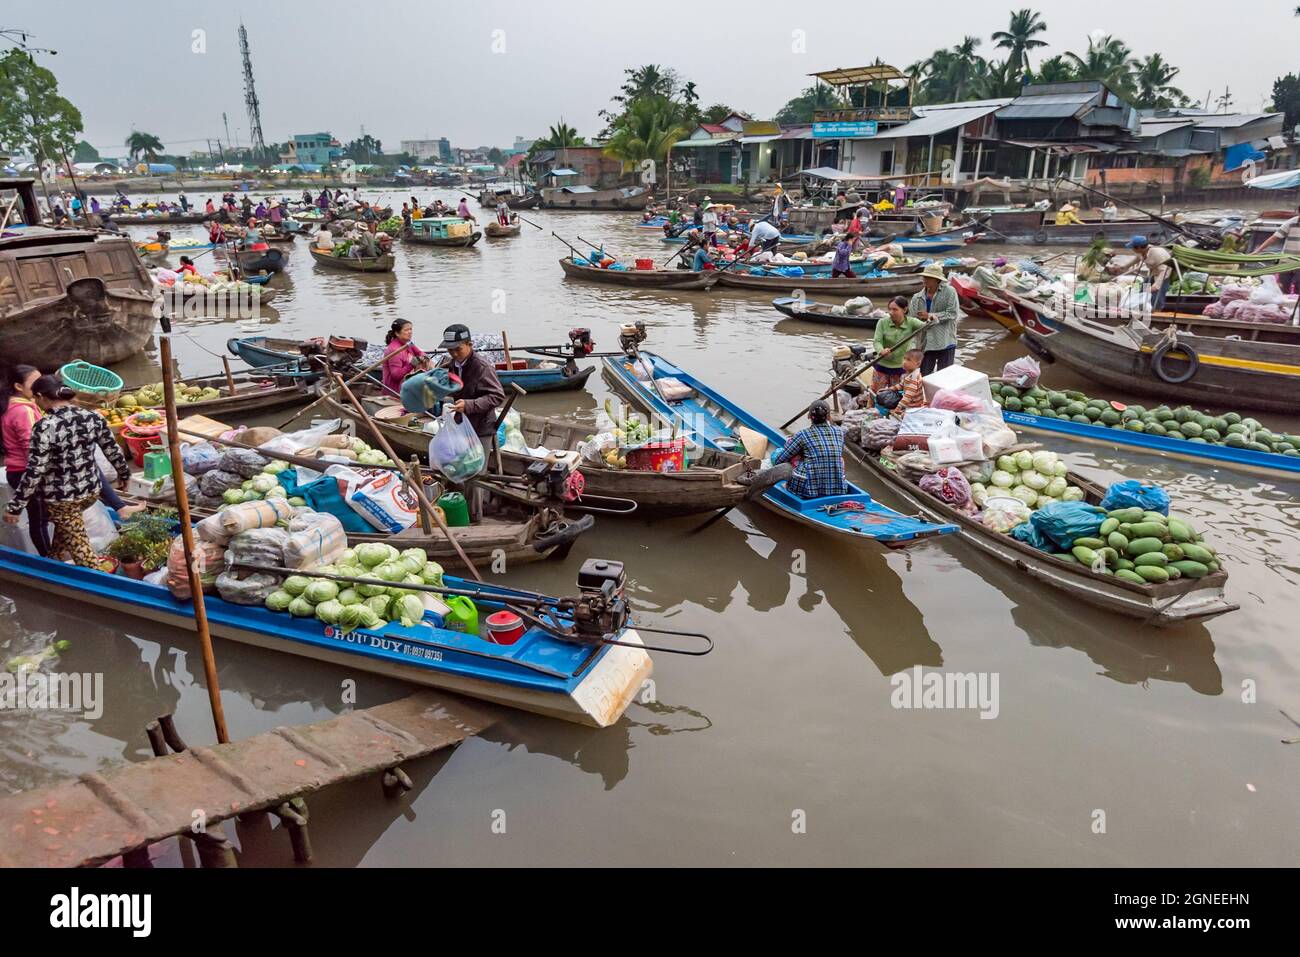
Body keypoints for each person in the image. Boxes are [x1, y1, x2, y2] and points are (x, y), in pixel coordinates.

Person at [3, 375, 130, 567]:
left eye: (36, 399)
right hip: (91, 493)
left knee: (84, 554)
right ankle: (53, 565)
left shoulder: (44, 426)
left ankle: (97, 585)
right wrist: (125, 475)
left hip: (62, 500)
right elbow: (112, 450)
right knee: (66, 533)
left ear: (41, 397)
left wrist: (15, 507)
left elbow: (35, 470)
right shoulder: (92, 416)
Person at [2, 365, 49, 555]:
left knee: (39, 517)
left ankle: (52, 554)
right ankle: (49, 558)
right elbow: (32, 448)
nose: (40, 386)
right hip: (26, 473)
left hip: (17, 471)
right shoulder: (23, 411)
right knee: (40, 520)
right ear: (18, 386)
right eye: (35, 383)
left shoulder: (11, 406)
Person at [438, 324, 504, 442]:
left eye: (458, 349)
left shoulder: (482, 367)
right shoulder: (454, 364)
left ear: (470, 345)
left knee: (478, 460)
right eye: (450, 350)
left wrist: (469, 405)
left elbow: (497, 396)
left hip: (481, 427)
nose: (454, 354)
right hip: (461, 422)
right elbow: (457, 388)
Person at [770, 400, 847, 500]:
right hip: (838, 488)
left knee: (777, 455)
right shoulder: (840, 433)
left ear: (809, 416)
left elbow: (779, 460)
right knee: (840, 460)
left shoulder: (803, 434)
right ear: (828, 417)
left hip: (807, 489)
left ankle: (787, 488)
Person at [908, 263, 960, 375]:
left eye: (929, 277)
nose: (925, 280)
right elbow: (911, 320)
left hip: (945, 341)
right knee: (924, 375)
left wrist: (930, 316)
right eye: (924, 277)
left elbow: (952, 314)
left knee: (945, 376)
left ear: (937, 279)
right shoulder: (917, 297)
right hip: (926, 344)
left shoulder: (949, 291)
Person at [872, 295, 927, 394]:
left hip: (900, 367)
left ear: (904, 310)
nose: (891, 313)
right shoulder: (882, 322)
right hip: (882, 364)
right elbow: (877, 341)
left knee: (896, 395)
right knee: (875, 393)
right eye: (890, 309)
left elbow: (926, 327)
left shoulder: (911, 322)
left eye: (895, 310)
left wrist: (931, 319)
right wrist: (881, 350)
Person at [1112, 235, 1174, 309]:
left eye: (1133, 247)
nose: (1132, 249)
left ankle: (1156, 313)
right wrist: (1124, 267)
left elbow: (1164, 270)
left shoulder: (1157, 253)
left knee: (1156, 298)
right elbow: (1137, 259)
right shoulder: (1142, 251)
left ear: (1139, 248)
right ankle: (1141, 309)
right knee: (1143, 293)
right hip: (1152, 274)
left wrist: (1156, 285)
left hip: (1162, 276)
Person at [1253, 203, 1300, 294]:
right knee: (1282, 289)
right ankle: (1283, 307)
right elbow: (1274, 237)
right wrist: (1257, 251)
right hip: (1286, 262)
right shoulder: (1291, 222)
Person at [382, 319, 431, 396]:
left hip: (408, 384)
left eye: (411, 329)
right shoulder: (394, 351)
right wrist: (411, 364)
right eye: (406, 330)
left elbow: (419, 352)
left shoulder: (408, 343)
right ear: (397, 333)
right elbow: (396, 376)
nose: (410, 332)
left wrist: (423, 357)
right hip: (396, 392)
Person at [892, 349, 928, 419]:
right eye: (904, 359)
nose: (904, 362)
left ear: (918, 364)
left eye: (908, 360)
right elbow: (901, 385)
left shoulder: (915, 378)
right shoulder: (908, 373)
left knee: (903, 416)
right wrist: (892, 388)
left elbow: (907, 396)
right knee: (894, 395)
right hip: (907, 401)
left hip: (913, 406)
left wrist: (898, 408)